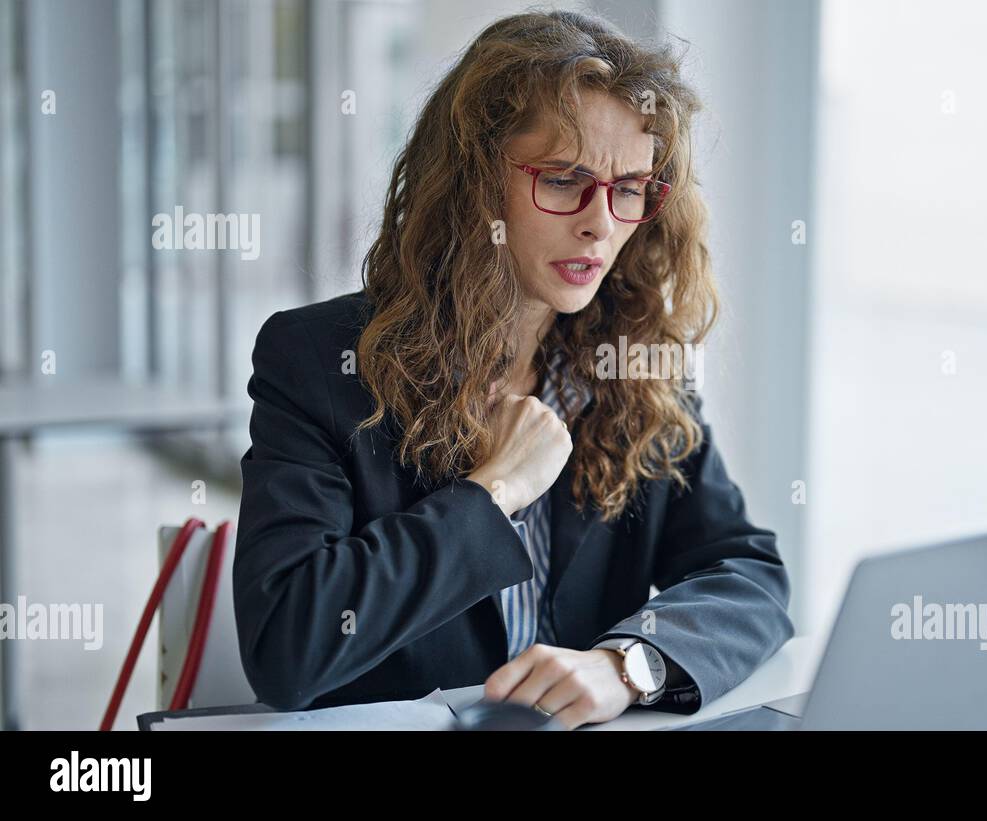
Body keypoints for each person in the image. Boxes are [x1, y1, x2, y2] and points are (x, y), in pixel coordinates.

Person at [233, 9, 793, 730]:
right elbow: (287, 644)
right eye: (563, 180)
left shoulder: (638, 365)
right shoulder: (318, 361)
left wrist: (629, 665)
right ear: (473, 184)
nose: (601, 223)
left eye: (629, 187)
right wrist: (493, 491)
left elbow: (749, 573)